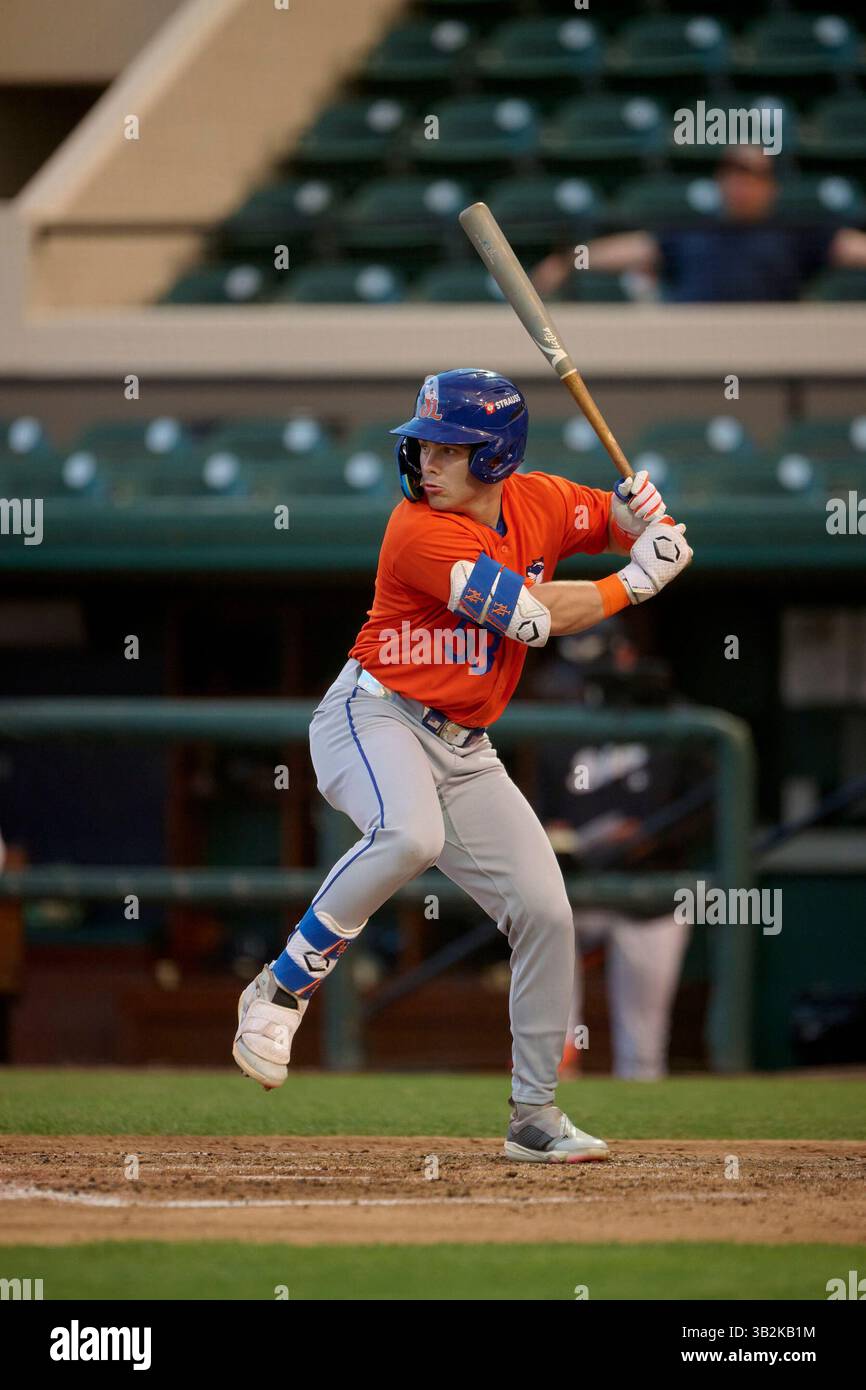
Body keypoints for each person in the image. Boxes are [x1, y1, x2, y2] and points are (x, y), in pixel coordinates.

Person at [232, 368, 692, 1162]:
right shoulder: (418, 531)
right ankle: (280, 987)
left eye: (450, 449)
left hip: (465, 747)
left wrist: (640, 512)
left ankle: (535, 1116)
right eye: (425, 445)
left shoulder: (540, 499)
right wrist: (640, 579)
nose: (427, 461)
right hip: (371, 716)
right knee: (408, 836)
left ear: (495, 459)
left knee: (547, 912)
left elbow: (608, 515)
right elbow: (535, 620)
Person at [532, 626, 711, 1080]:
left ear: (628, 654)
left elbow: (708, 806)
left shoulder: (676, 718)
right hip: (581, 890)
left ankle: (641, 1141)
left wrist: (652, 835)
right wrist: (566, 839)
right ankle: (551, 1086)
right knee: (539, 918)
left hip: (653, 891)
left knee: (644, 1046)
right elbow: (540, 812)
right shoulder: (559, 727)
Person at [532, 145, 866, 303]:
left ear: (771, 186)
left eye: (752, 177)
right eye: (733, 176)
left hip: (769, 347)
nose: (740, 187)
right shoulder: (694, 231)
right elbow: (635, 248)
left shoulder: (794, 232)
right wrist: (567, 261)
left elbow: (850, 248)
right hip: (696, 347)